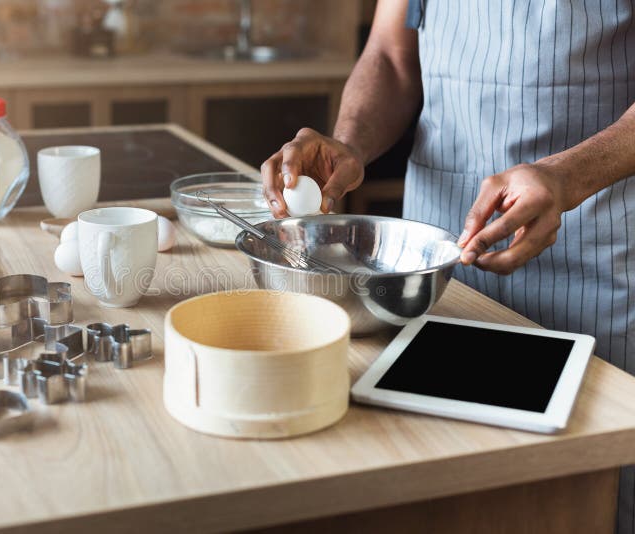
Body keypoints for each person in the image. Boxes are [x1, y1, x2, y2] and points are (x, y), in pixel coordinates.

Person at [262, 1, 635, 530]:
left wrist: (567, 176)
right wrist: (348, 143)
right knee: (431, 482)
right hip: (434, 268)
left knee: (579, 496)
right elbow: (391, 57)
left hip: (591, 257)